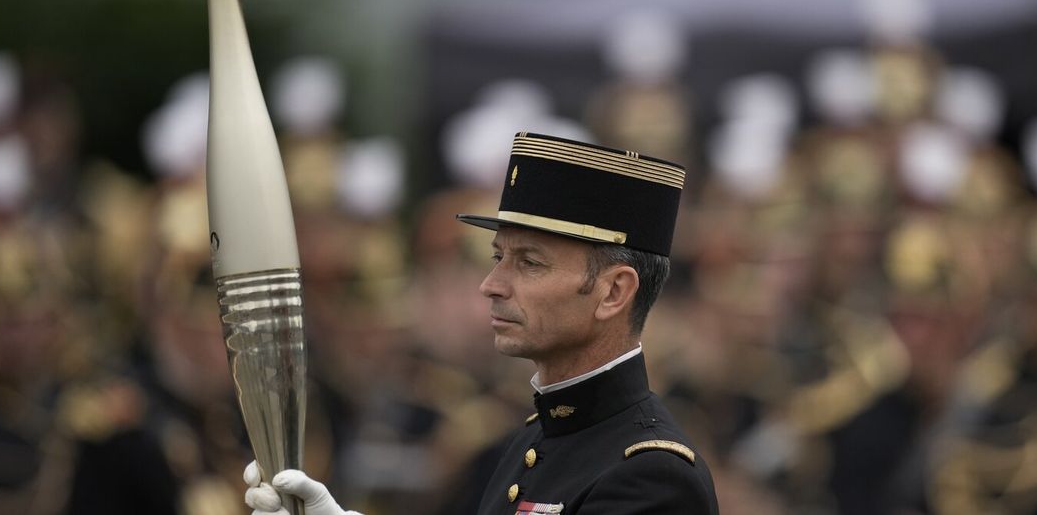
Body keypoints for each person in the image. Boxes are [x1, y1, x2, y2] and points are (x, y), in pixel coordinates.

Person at [243, 131, 720, 514]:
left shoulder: (651, 476)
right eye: (498, 257)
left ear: (614, 292)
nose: (491, 284)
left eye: (529, 262)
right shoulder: (533, 439)